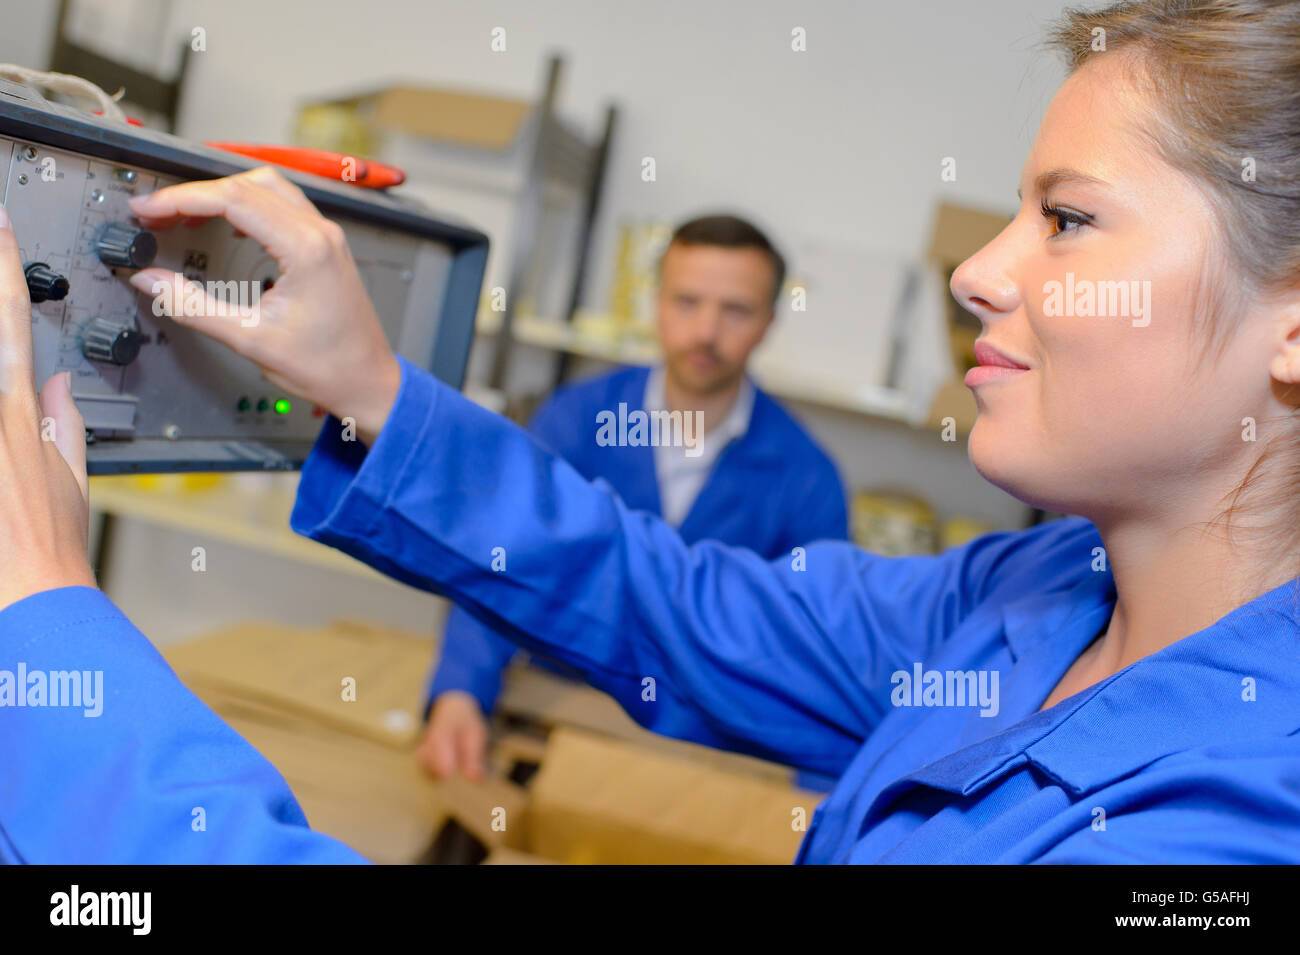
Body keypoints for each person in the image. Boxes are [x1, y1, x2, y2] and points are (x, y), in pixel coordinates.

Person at [3, 0, 1300, 864]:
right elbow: (664, 597)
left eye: (1068, 219)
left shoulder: (1215, 828)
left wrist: (48, 638)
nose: (978, 272)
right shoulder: (1036, 593)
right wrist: (381, 394)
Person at [418, 215, 848, 789]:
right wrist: (459, 692)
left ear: (769, 321)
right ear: (656, 303)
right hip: (556, 718)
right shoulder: (576, 420)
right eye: (687, 301)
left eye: (736, 310)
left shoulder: (806, 474)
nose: (706, 331)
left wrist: (811, 796)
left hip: (706, 749)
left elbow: (819, 643)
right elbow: (505, 559)